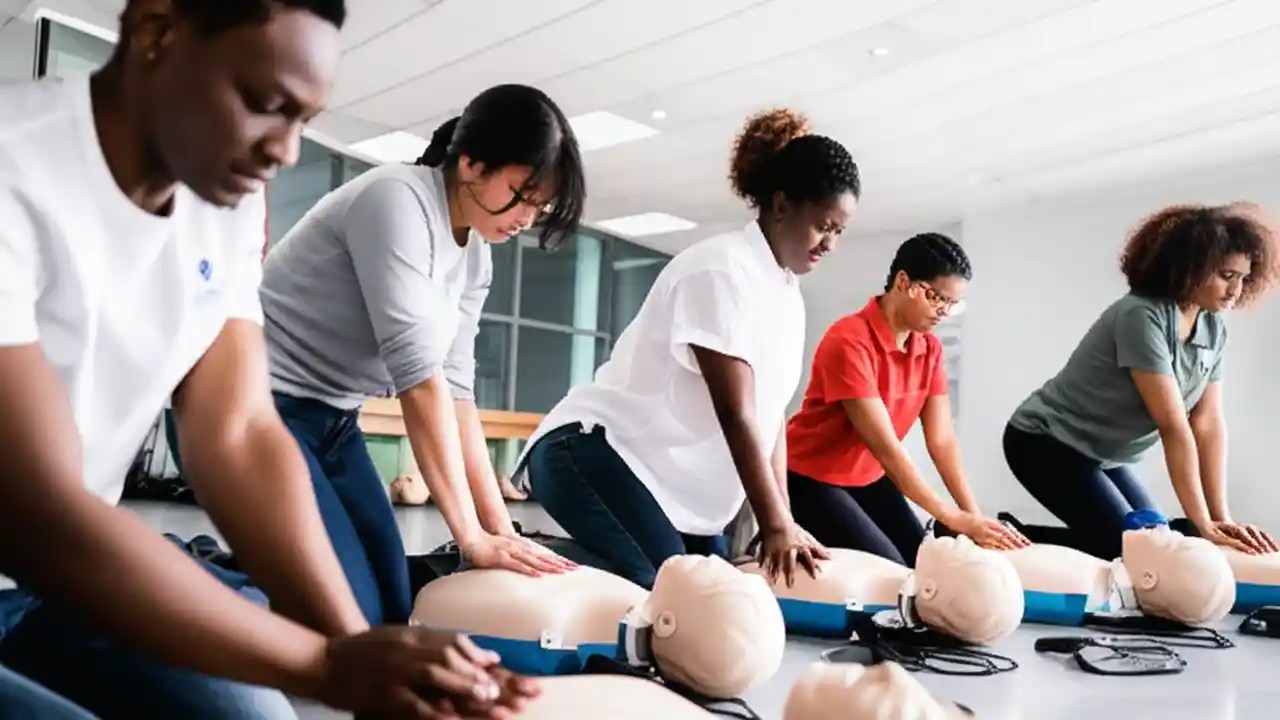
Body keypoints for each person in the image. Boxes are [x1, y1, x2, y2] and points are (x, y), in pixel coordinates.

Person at [0, 2, 535, 718]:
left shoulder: (222, 205)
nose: (284, 152)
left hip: (56, 587)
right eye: (263, 105)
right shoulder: (14, 166)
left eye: (303, 122)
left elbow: (239, 431)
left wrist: (360, 653)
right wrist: (325, 664)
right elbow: (37, 515)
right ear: (156, 32)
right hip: (42, 553)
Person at [256, 83, 585, 625]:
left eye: (540, 204)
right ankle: (187, 568)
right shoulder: (397, 200)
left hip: (333, 421)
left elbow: (457, 392)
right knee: (339, 612)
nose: (529, 216)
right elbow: (420, 380)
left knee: (390, 603)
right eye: (522, 193)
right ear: (473, 164)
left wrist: (501, 530)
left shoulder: (477, 255)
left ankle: (269, 569)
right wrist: (469, 538)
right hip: (260, 406)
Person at [520, 108, 861, 589]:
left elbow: (769, 424)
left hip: (674, 492)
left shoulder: (786, 294)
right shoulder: (721, 270)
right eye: (824, 225)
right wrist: (773, 521)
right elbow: (737, 412)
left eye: (839, 232)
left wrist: (782, 516)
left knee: (715, 595)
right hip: (593, 454)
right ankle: (499, 559)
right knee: (662, 588)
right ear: (782, 205)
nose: (830, 243)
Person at [1003, 202, 1280, 561]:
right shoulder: (1141, 315)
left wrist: (1219, 519)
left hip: (1104, 456)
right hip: (1044, 442)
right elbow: (1173, 425)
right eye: (1227, 275)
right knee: (1132, 548)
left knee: (1158, 540)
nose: (1236, 290)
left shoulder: (1213, 328)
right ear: (1190, 269)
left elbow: (1207, 424)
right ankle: (996, 539)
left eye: (1244, 278)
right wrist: (1201, 522)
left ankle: (1009, 536)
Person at [785, 234, 1029, 568]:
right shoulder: (849, 341)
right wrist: (954, 519)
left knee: (923, 565)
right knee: (890, 572)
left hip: (867, 476)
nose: (943, 311)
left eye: (951, 304)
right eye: (936, 298)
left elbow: (941, 441)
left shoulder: (929, 349)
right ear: (903, 282)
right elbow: (888, 449)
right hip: (811, 477)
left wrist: (974, 518)